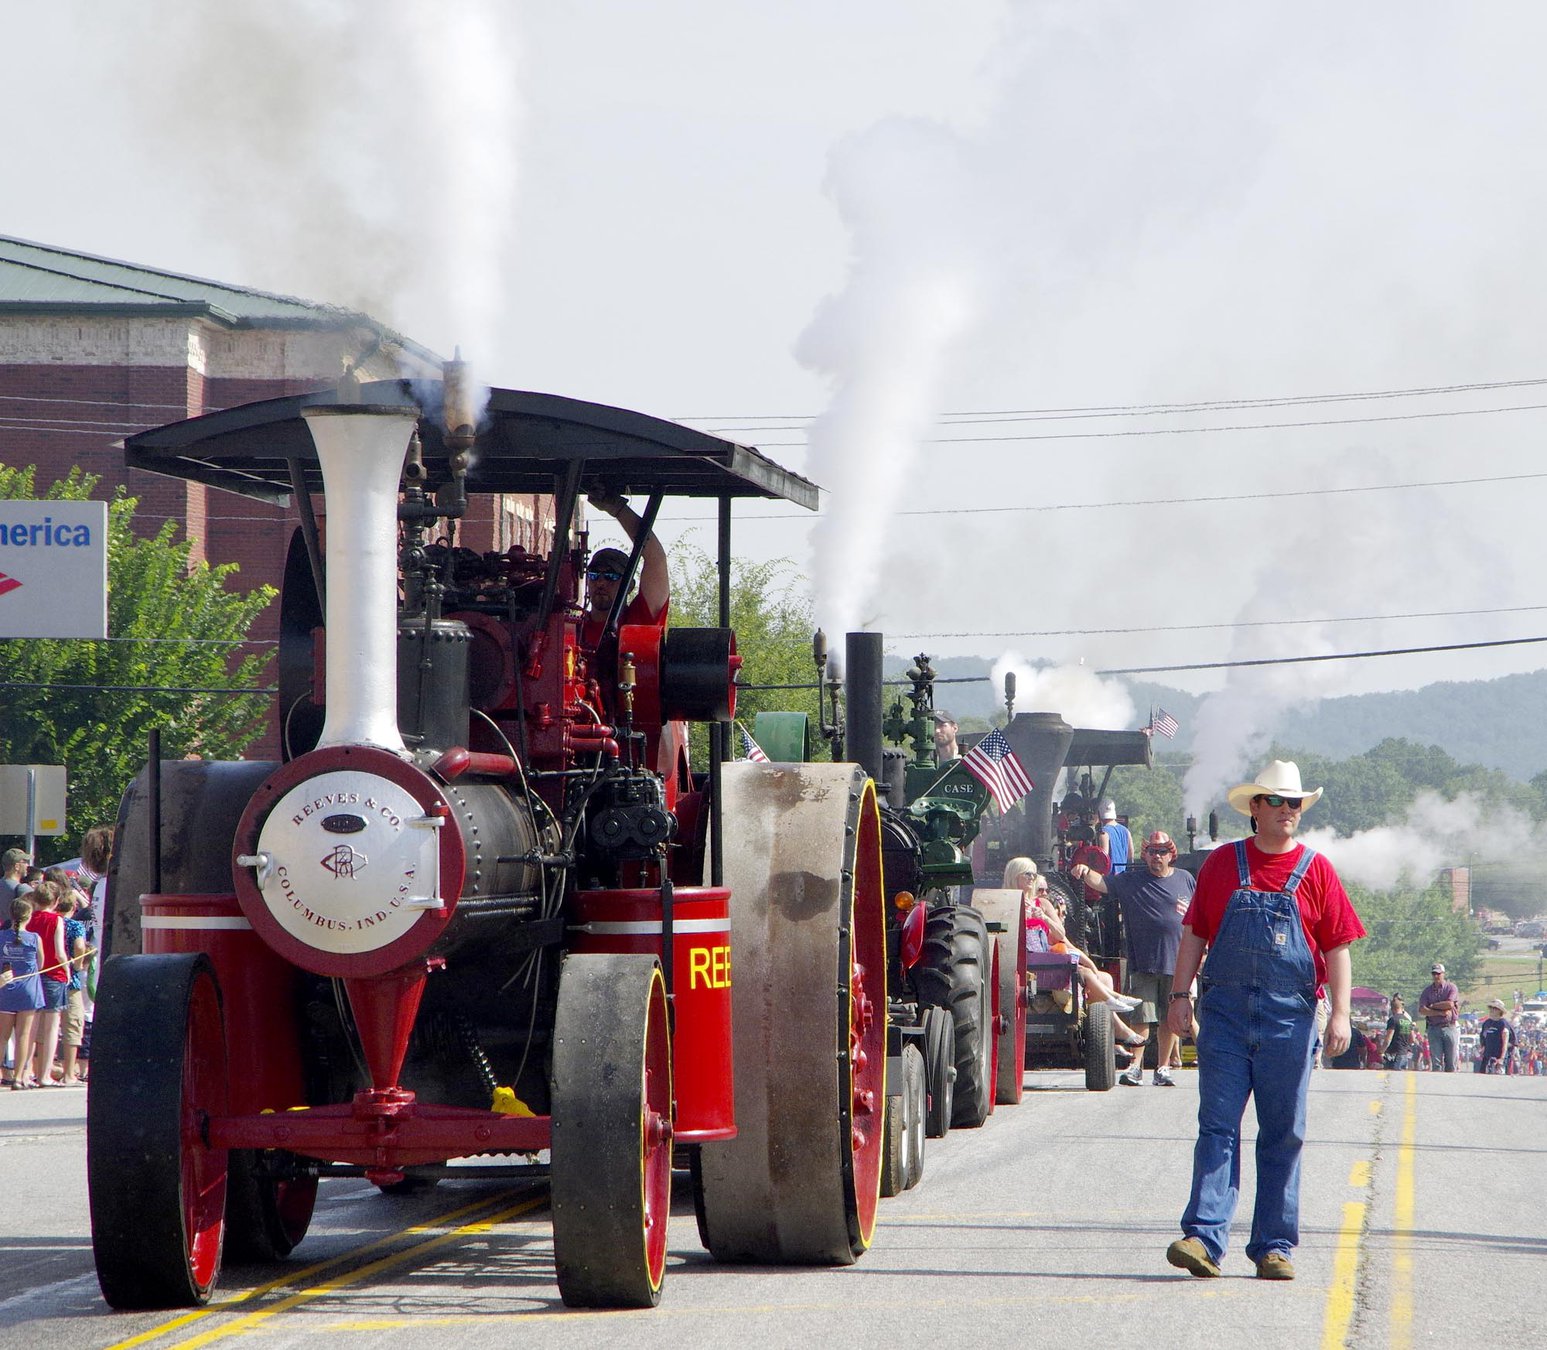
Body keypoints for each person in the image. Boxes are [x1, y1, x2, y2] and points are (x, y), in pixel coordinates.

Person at [1165, 760, 1365, 1283]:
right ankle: (1202, 1239)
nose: (1285, 810)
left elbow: (1338, 947)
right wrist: (1179, 996)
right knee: (1217, 1126)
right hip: (1225, 1015)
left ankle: (1274, 1247)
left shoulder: (1317, 869)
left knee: (1283, 1132)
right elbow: (1194, 933)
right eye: (1275, 800)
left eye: (1293, 802)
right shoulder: (1221, 864)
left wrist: (1340, 1015)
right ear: (1254, 807)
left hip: (1289, 1019)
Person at [1073, 829, 1195, 1087]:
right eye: (1152, 851)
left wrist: (1202, 951)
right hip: (1143, 961)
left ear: (1171, 854)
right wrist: (1084, 870)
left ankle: (1163, 1068)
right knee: (1142, 1016)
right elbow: (1102, 883)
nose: (1157, 856)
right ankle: (1135, 1067)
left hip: (1177, 962)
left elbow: (1198, 914)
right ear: (1145, 854)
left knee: (1169, 1019)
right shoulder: (1131, 880)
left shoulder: (1185, 879)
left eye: (1162, 851)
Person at [581, 492, 668, 649]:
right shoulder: (573, 628)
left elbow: (656, 560)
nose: (600, 582)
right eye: (594, 575)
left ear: (630, 586)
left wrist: (618, 509)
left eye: (611, 576)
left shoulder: (641, 619)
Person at [1, 895, 46, 1088]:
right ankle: (19, 1078)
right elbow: (41, 964)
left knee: (2, 1037)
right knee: (23, 1036)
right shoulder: (34, 938)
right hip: (28, 990)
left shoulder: (1, 937)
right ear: (29, 916)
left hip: (5, 989)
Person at [1419, 963, 1461, 1072]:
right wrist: (1440, 1013)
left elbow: (1449, 1004)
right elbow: (1422, 1010)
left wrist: (1432, 1006)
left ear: (1443, 974)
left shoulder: (1451, 987)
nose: (1436, 976)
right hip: (1434, 1028)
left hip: (1449, 1027)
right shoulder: (1427, 991)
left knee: (1451, 1062)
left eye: (1438, 974)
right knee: (1436, 1062)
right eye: (1434, 974)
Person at [1479, 998, 1513, 1074]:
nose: (1491, 1010)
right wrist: (1482, 1049)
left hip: (1498, 1058)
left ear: (1500, 1011)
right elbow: (1483, 1038)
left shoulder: (1503, 1023)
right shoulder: (1487, 1023)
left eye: (1494, 1008)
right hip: (1487, 1058)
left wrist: (1502, 1058)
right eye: (1491, 1008)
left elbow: (1505, 1043)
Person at [1380, 994, 1414, 1070]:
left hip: (1394, 1055)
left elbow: (1388, 1039)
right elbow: (1412, 1039)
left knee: (1391, 1076)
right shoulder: (1408, 1020)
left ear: (1392, 1008)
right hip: (1404, 1054)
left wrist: (1381, 1051)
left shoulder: (1393, 1020)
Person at [1098, 800, 1132, 874]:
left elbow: (1103, 859)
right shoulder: (1126, 831)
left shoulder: (1104, 833)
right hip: (1123, 876)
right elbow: (1130, 856)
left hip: (1111, 877)